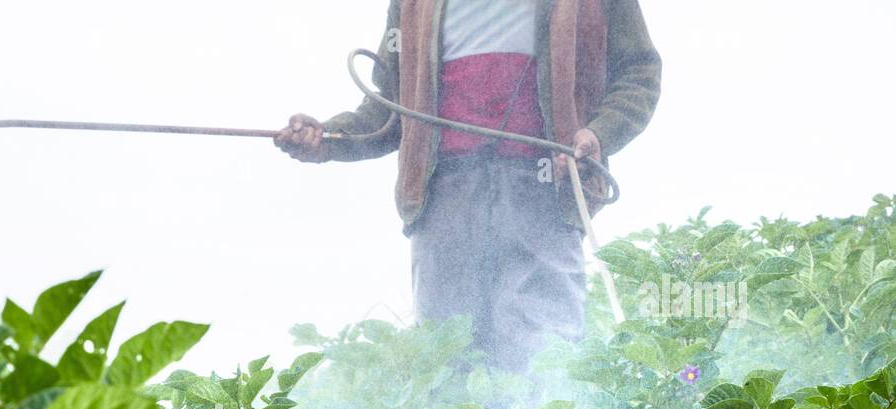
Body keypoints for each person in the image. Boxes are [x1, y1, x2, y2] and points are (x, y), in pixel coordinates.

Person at [276, 0, 661, 376]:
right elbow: (388, 110)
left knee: (549, 360)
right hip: (444, 196)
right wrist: (327, 137)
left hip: (544, 194)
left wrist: (598, 133)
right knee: (447, 361)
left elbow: (639, 71)